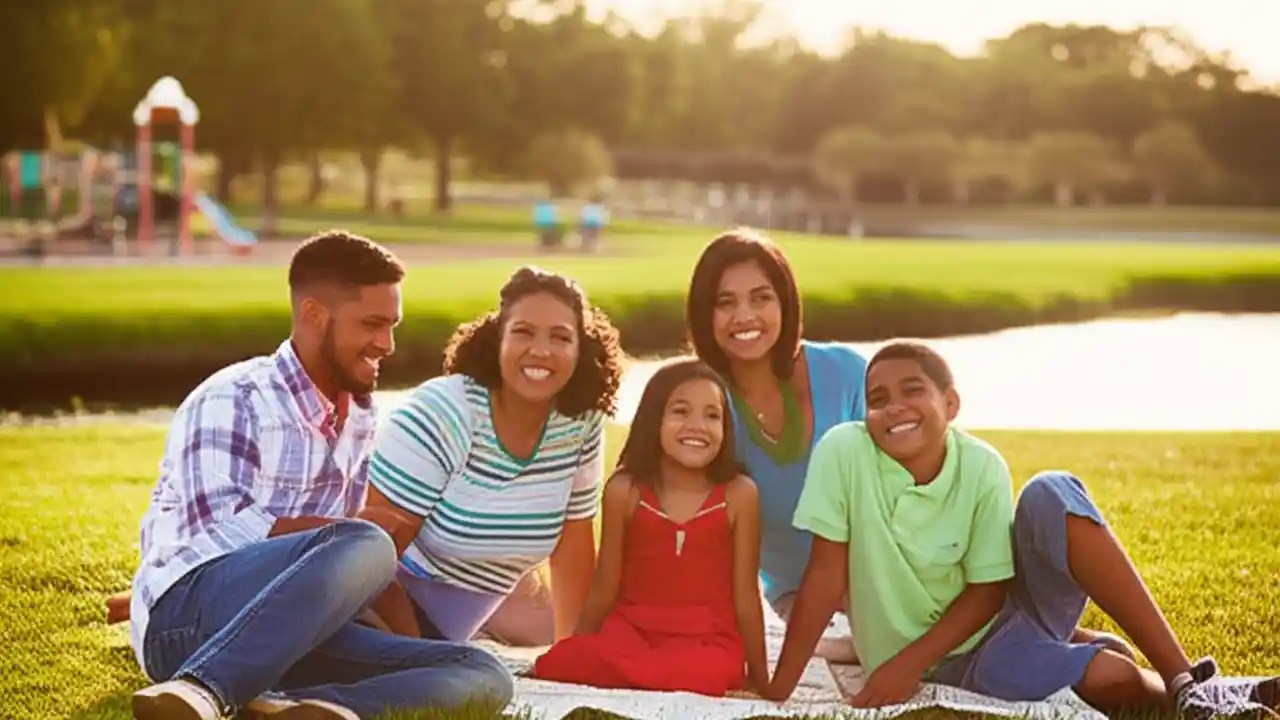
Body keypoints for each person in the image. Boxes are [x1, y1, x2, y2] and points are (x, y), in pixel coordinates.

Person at [765, 341, 1280, 717]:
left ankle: (1185, 680)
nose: (893, 406)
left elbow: (990, 590)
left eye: (912, 389)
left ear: (950, 405)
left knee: (1052, 488)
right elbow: (826, 573)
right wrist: (780, 685)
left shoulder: (982, 463)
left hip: (1001, 608)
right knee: (1116, 678)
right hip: (966, 658)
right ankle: (1126, 668)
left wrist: (905, 665)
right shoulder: (844, 451)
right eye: (877, 398)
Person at [127, 231, 513, 720]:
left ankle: (318, 711)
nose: (387, 344)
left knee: (481, 672)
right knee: (367, 541)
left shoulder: (360, 417)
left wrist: (408, 648)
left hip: (295, 636)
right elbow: (220, 536)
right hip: (186, 624)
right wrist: (362, 539)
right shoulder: (236, 396)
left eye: (392, 326)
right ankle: (202, 691)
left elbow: (341, 567)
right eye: (372, 324)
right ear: (313, 315)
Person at [359, 265, 624, 648]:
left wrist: (571, 654)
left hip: (459, 624)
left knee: (603, 635)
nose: (541, 351)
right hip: (376, 612)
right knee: (480, 676)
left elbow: (573, 544)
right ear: (498, 338)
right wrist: (418, 652)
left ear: (581, 350)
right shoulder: (445, 412)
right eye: (523, 332)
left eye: (561, 337)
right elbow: (374, 553)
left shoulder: (579, 421)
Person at [532, 359, 769, 696]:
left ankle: (649, 674)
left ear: (727, 427)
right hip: (632, 632)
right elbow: (605, 586)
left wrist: (759, 677)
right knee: (564, 662)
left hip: (705, 641)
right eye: (680, 412)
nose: (697, 426)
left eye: (712, 415)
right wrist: (576, 648)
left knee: (704, 675)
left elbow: (746, 596)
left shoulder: (739, 494)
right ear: (653, 418)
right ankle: (639, 670)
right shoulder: (625, 490)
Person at [685, 227, 867, 661]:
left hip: (890, 576)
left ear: (785, 302)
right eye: (724, 303)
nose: (744, 316)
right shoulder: (699, 400)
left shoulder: (845, 372)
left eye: (761, 298)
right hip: (801, 598)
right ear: (703, 315)